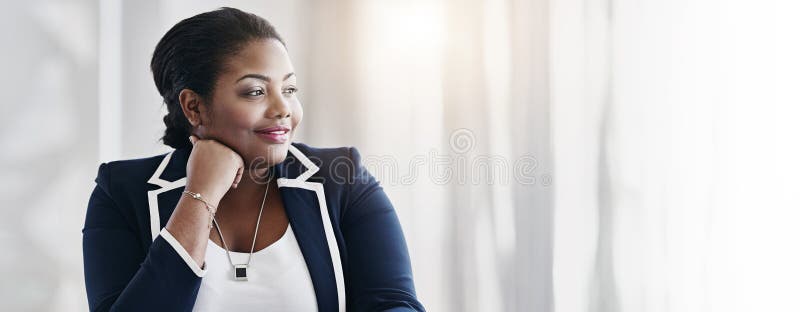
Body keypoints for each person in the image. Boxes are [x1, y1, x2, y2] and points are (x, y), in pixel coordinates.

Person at [82, 7, 424, 312]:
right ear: (193, 107)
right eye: (256, 92)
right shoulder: (120, 193)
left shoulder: (343, 179)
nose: (283, 110)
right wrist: (200, 195)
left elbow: (394, 303)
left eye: (289, 90)